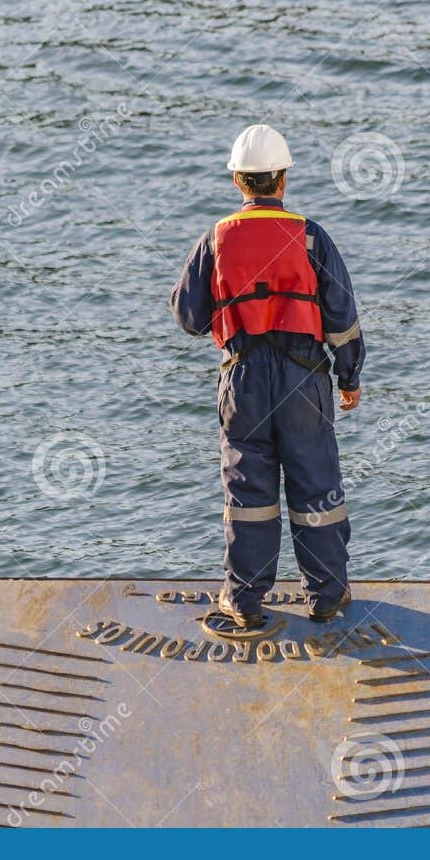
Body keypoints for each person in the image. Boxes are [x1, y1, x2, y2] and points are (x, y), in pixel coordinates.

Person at [170, 125, 365, 629]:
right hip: (305, 379)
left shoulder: (216, 239)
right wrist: (349, 376)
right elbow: (341, 315)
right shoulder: (311, 236)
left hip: (244, 380)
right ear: (282, 179)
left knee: (248, 493)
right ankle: (326, 595)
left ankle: (246, 601)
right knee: (316, 487)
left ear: (238, 179)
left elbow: (189, 318)